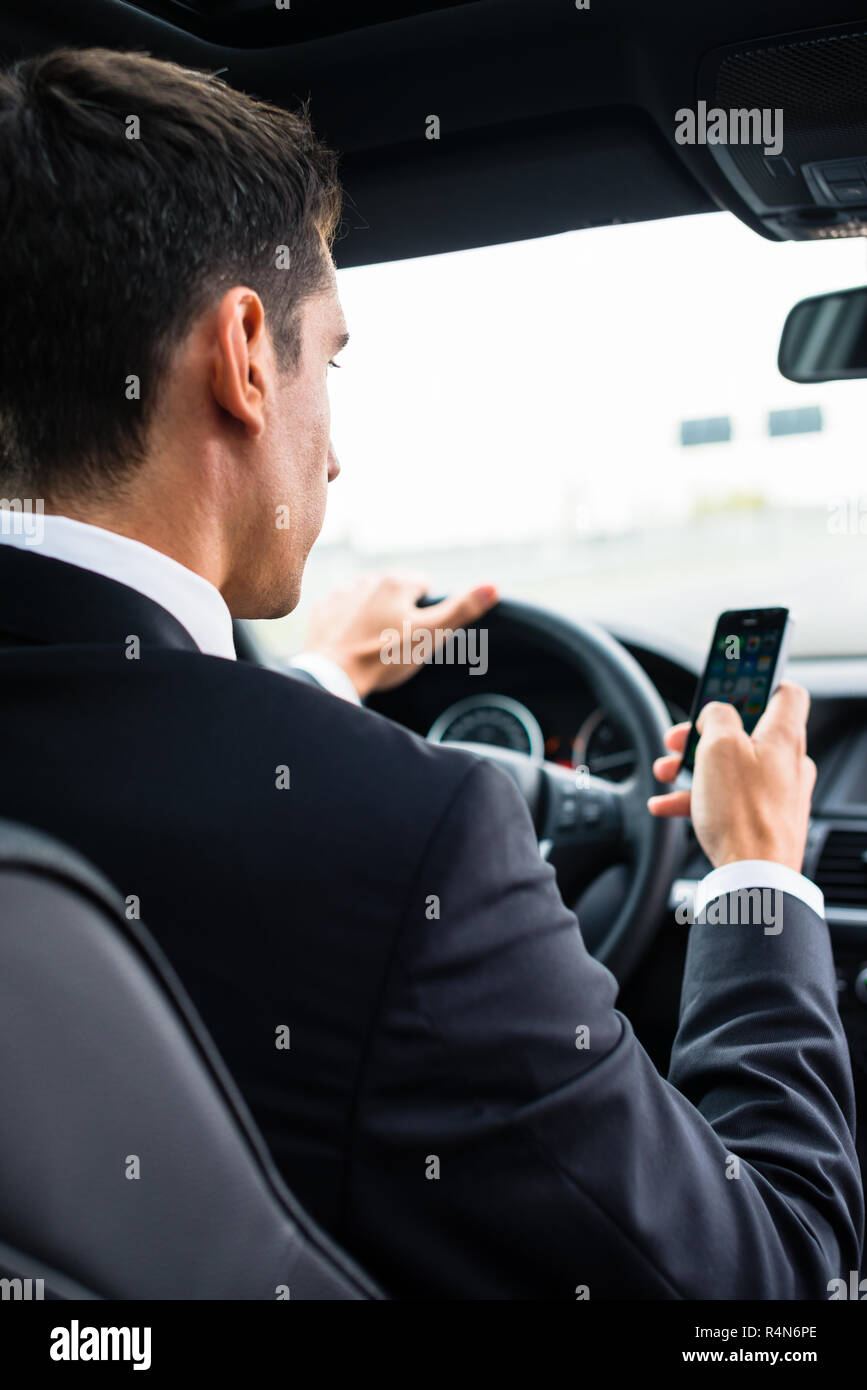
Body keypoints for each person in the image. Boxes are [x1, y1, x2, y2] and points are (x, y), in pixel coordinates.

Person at [0, 47, 861, 1299]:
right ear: (246, 355)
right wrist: (756, 881)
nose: (334, 456)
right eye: (327, 362)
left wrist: (311, 701)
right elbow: (765, 1284)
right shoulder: (413, 841)